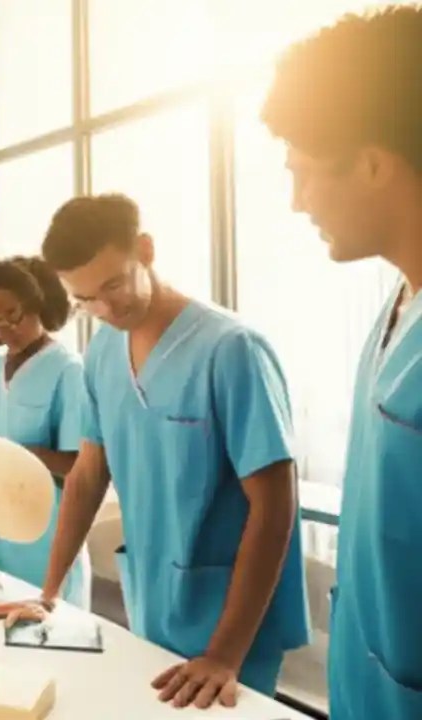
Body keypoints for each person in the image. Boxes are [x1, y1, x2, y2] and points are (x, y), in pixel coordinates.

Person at [10, 194, 310, 708]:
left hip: (231, 620)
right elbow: (88, 475)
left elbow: (275, 503)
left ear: (145, 251)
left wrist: (225, 655)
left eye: (114, 285)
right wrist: (49, 594)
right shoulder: (103, 352)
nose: (105, 310)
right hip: (152, 606)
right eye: (86, 300)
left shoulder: (231, 349)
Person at [263, 8, 422, 719]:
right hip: (372, 682)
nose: (297, 202)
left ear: (372, 163)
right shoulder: (397, 309)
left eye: (301, 173)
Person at [0, 255, 91, 610]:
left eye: (14, 315)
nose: (7, 330)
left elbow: (81, 467)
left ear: (39, 304)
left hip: (45, 541)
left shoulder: (67, 370)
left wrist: (21, 457)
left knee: (44, 631)